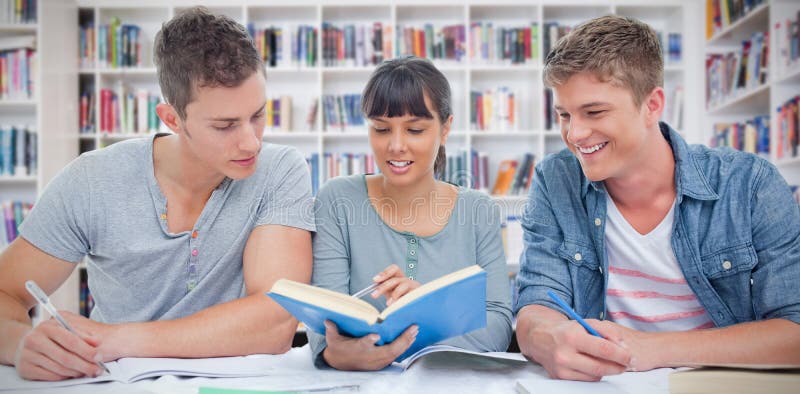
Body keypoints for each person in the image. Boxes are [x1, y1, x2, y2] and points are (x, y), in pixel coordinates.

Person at [0, 7, 314, 381]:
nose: (251, 141)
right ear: (172, 119)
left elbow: (274, 323)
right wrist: (20, 344)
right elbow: (7, 293)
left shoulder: (281, 171)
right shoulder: (92, 180)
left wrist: (116, 339)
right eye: (225, 125)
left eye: (258, 115)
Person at [514, 15, 800, 382]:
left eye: (594, 112)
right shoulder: (555, 179)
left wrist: (651, 348)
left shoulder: (750, 185)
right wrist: (546, 337)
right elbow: (536, 302)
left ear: (652, 105)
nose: (575, 133)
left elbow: (794, 331)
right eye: (564, 114)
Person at [308, 56, 513, 371]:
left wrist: (429, 313)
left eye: (415, 130)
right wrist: (337, 354)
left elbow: (499, 327)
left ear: (445, 129)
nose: (396, 145)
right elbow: (324, 326)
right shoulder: (337, 200)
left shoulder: (477, 210)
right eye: (381, 128)